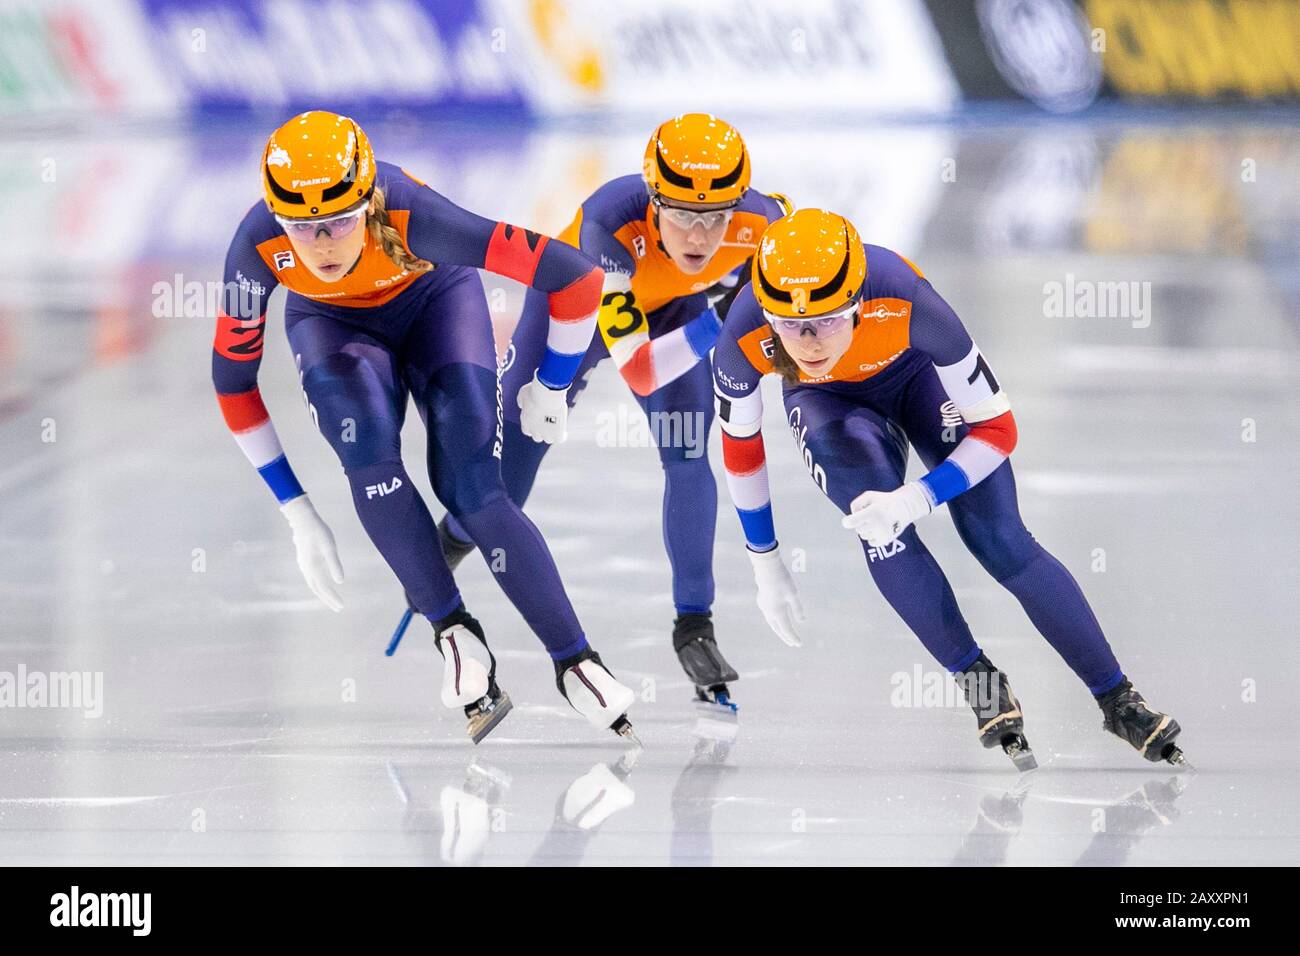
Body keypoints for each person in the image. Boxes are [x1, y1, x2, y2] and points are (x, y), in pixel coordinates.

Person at [211, 111, 636, 744]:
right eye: (304, 229)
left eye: (338, 223)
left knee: (472, 489)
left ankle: (576, 662)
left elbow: (576, 278)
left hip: (437, 305)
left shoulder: (415, 215)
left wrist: (552, 384)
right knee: (370, 461)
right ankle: (454, 630)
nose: (323, 245)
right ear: (278, 217)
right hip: (333, 329)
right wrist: (296, 511)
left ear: (369, 203)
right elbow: (233, 384)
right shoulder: (254, 246)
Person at [711, 208, 1185, 768]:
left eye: (829, 320)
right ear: (765, 312)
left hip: (918, 380)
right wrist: (763, 559)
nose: (810, 342)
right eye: (790, 326)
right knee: (877, 526)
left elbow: (999, 428)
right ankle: (980, 682)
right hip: (828, 405)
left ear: (860, 302)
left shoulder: (909, 299)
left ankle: (1117, 698)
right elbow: (741, 449)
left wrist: (920, 496)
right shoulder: (742, 338)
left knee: (1001, 541)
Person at [441, 114, 791, 710]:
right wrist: (716, 315)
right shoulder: (609, 221)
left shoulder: (766, 225)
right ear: (653, 203)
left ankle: (694, 626)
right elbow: (641, 369)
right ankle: (444, 549)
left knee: (686, 455)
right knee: (508, 471)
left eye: (714, 217)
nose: (699, 236)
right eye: (681, 214)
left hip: (676, 312)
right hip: (573, 316)